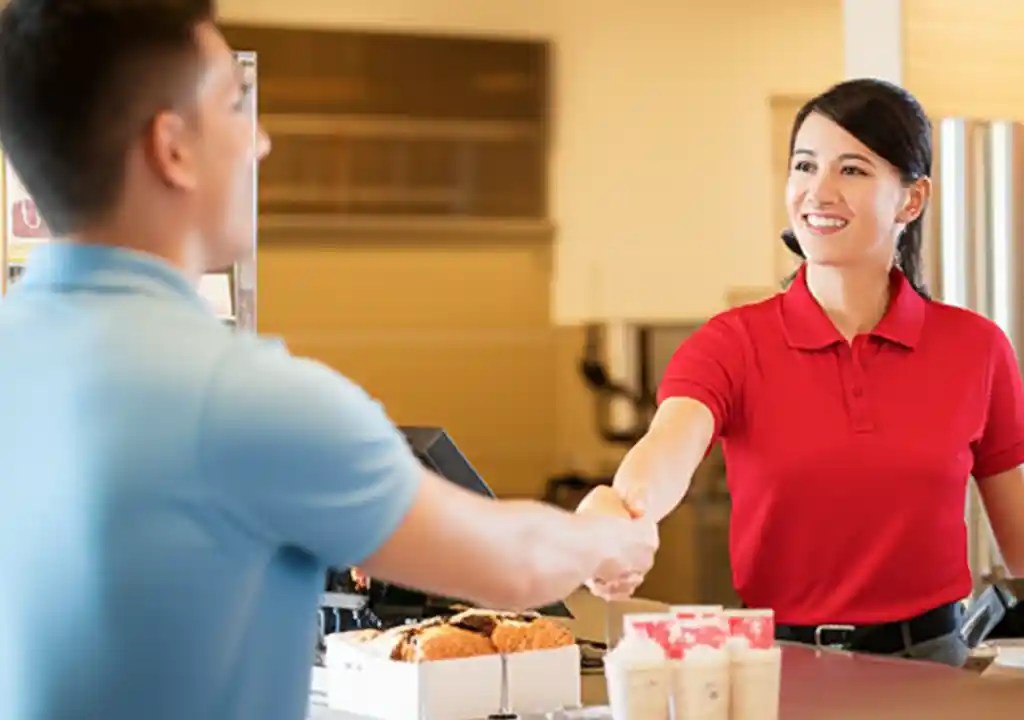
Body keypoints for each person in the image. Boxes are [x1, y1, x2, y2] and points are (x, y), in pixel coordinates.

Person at [0, 2, 656, 719]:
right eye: (236, 106)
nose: (262, 144)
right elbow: (510, 564)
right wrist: (607, 536)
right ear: (172, 147)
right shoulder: (242, 398)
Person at [581, 78, 1024, 667]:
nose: (818, 192)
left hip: (935, 670)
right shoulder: (732, 343)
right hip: (782, 671)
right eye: (804, 165)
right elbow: (668, 444)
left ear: (911, 200)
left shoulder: (976, 348)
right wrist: (623, 510)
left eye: (852, 170)